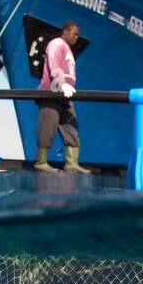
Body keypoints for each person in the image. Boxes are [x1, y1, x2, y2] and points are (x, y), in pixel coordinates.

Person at [35, 21, 89, 173]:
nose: (77, 37)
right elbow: (54, 65)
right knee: (47, 126)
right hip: (53, 92)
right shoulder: (57, 44)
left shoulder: (69, 51)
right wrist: (62, 84)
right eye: (74, 33)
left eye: (78, 34)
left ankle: (72, 164)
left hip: (66, 97)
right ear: (65, 31)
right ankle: (41, 162)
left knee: (71, 127)